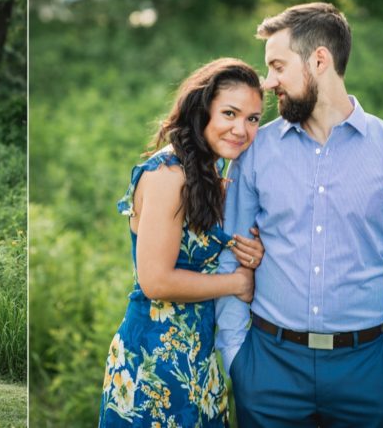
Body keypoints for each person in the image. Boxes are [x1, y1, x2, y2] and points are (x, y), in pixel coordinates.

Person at [216, 2, 383, 427]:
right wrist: (235, 355)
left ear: (319, 60)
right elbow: (229, 252)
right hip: (269, 366)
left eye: (277, 66)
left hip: (367, 372)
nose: (269, 83)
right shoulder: (254, 152)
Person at [99, 59, 266, 427]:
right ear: (201, 109)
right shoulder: (167, 174)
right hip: (152, 363)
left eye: (253, 118)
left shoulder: (209, 171)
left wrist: (248, 253)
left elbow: (203, 250)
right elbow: (156, 280)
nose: (242, 129)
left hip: (198, 361)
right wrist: (237, 283)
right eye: (230, 113)